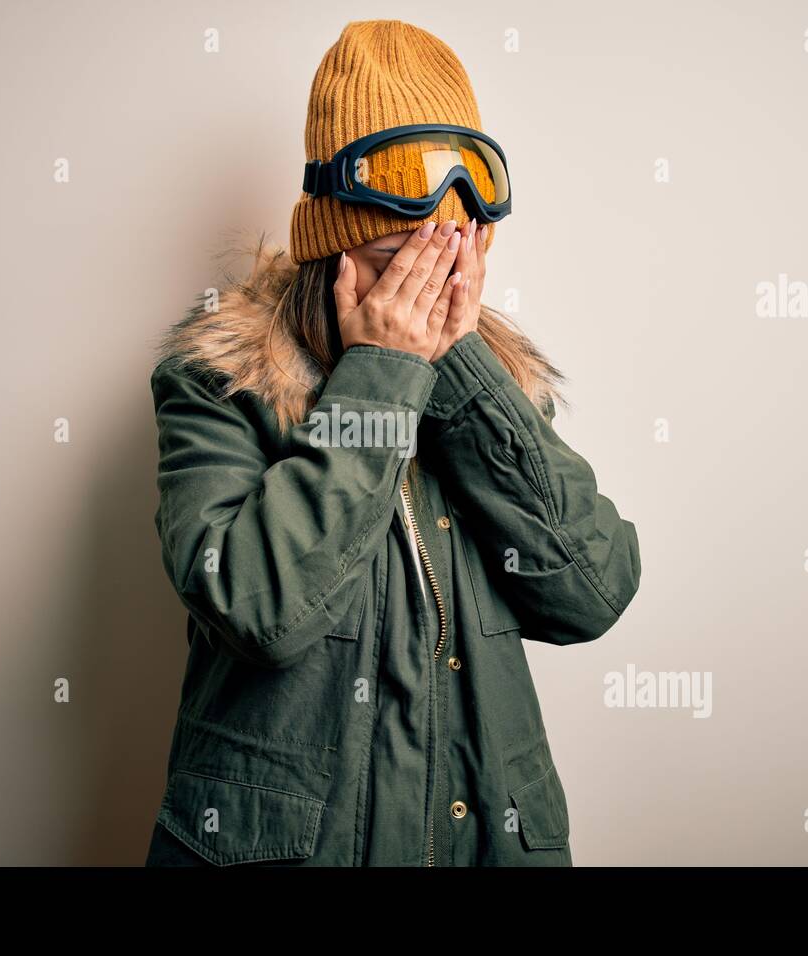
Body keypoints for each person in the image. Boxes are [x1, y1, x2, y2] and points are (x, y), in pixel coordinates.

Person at [144, 19, 641, 867]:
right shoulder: (219, 377)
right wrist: (381, 374)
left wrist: (457, 373)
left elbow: (592, 591)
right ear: (329, 251)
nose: (422, 288)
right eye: (388, 258)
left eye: (447, 259)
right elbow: (258, 607)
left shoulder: (500, 384)